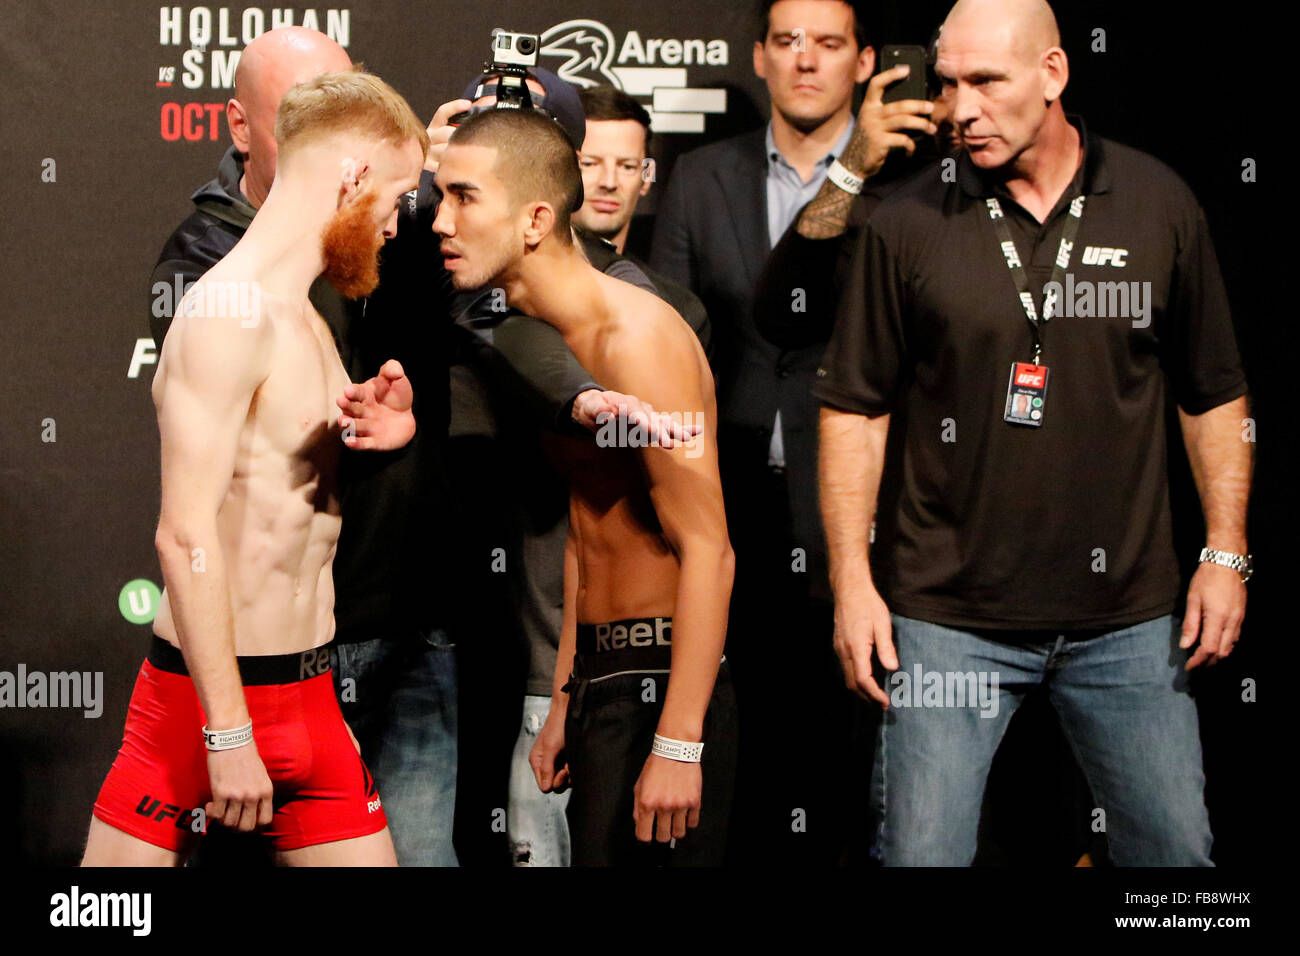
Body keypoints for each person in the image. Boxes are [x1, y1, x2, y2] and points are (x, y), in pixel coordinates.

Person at [817, 0, 1252, 866]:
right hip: (947, 617)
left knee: (1176, 863)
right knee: (920, 857)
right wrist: (852, 584)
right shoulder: (907, 223)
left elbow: (1214, 395)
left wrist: (1227, 551)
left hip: (1127, 621)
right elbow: (854, 410)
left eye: (986, 81)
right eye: (947, 83)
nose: (960, 108)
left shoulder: (1156, 202)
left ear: (1053, 75)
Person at [85, 70, 430, 866]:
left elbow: (285, 488)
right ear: (353, 178)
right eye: (396, 197)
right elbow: (184, 536)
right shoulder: (225, 313)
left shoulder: (305, 319)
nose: (393, 225)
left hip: (310, 697)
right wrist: (229, 731)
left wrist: (388, 426)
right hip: (196, 709)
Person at [434, 108, 738, 866]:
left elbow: (711, 551)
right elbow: (586, 518)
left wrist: (678, 740)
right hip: (603, 674)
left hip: (662, 681)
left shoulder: (638, 340)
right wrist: (567, 697)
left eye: (463, 198)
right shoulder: (545, 343)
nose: (440, 220)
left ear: (535, 219)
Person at [649, 0, 873, 864]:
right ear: (759, 57)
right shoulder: (701, 177)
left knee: (856, 766)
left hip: (863, 516)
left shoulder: (907, 179)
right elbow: (671, 336)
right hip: (734, 504)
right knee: (748, 760)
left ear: (863, 59)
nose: (806, 61)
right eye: (787, 43)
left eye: (828, 43)